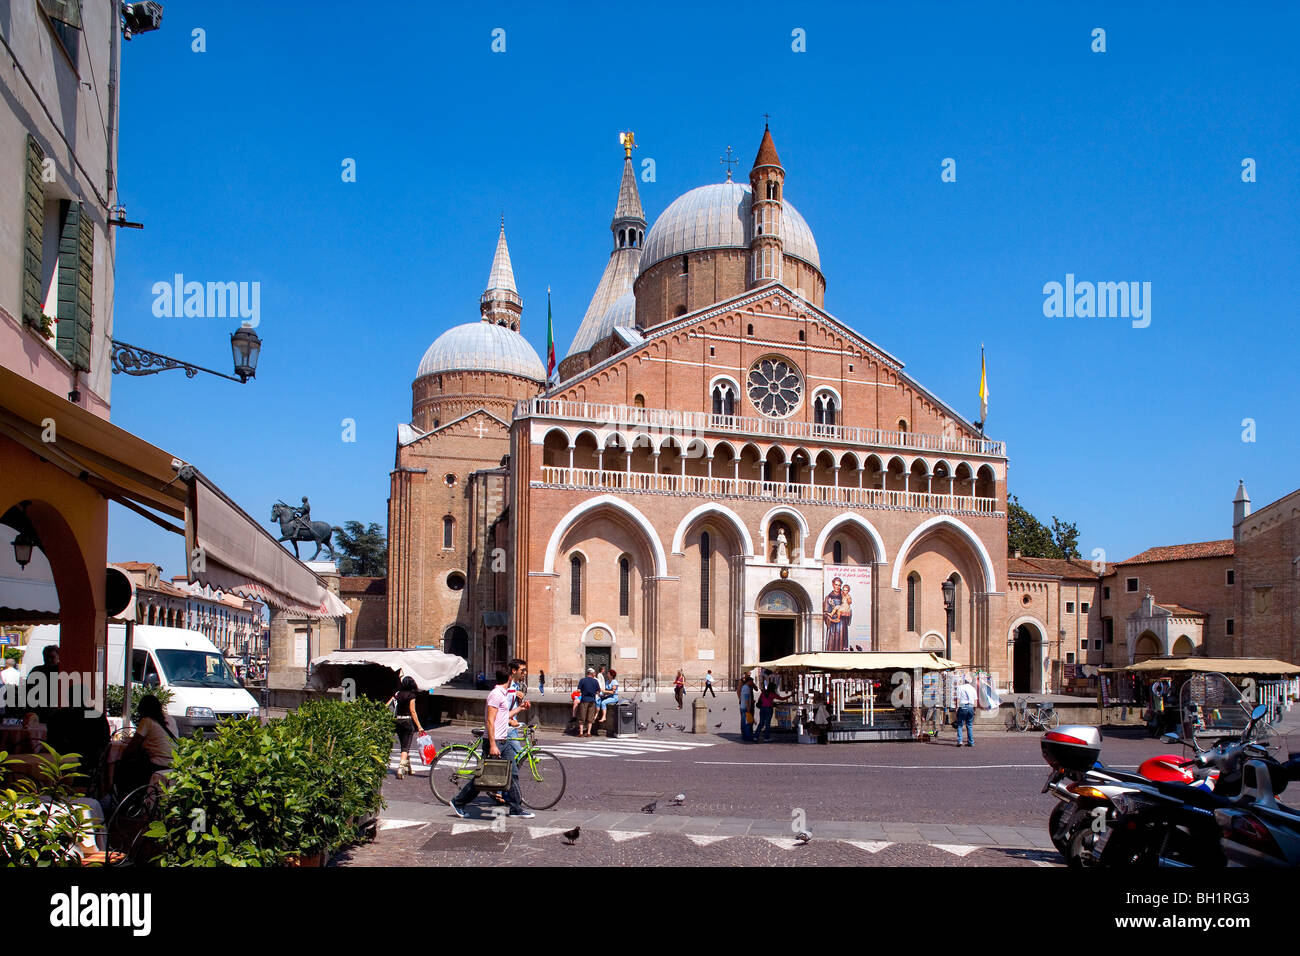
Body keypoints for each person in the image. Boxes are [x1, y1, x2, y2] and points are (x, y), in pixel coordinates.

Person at [450, 667, 533, 819]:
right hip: (493, 742)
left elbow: (503, 716)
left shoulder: (502, 694)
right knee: (483, 778)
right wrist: (493, 745)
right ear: (509, 678)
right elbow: (490, 720)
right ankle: (458, 802)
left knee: (513, 773)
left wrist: (520, 708)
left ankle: (515, 808)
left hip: (504, 741)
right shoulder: (495, 695)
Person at [116, 695, 178, 793]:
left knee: (127, 773)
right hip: (175, 763)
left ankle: (130, 800)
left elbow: (132, 747)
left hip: (158, 764)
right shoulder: (170, 719)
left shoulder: (147, 721)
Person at [387, 676, 425, 779]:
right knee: (405, 747)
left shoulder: (397, 694)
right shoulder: (411, 695)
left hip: (397, 721)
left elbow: (388, 705)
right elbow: (413, 711)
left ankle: (408, 768)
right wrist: (419, 726)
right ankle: (401, 768)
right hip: (407, 722)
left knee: (404, 745)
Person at [575, 667, 601, 737]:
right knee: (590, 717)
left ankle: (581, 733)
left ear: (587, 673)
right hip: (592, 701)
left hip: (584, 700)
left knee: (582, 717)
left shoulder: (582, 680)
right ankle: (589, 733)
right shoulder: (595, 681)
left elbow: (578, 690)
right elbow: (598, 691)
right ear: (592, 674)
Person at [955, 676, 978, 747]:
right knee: (969, 725)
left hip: (963, 706)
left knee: (960, 725)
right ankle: (971, 741)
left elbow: (958, 698)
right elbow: (975, 701)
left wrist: (957, 707)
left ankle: (960, 741)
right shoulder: (973, 689)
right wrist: (974, 710)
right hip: (971, 706)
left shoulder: (960, 687)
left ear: (964, 681)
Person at [739, 675, 756, 742]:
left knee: (743, 722)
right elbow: (746, 698)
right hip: (746, 707)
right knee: (748, 722)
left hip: (742, 706)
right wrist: (748, 708)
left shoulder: (743, 687)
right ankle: (748, 737)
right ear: (749, 681)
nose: (752, 683)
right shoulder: (747, 688)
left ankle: (744, 736)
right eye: (752, 682)